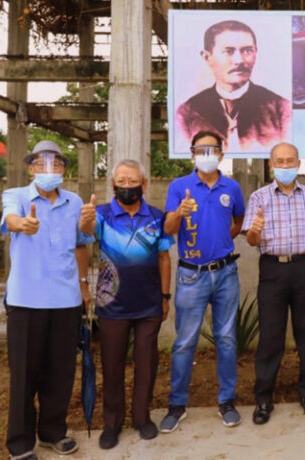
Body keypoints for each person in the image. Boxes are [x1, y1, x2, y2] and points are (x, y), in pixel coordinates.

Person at [1, 140, 92, 459]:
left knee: (61, 371)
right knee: (24, 373)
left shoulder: (75, 200)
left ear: (65, 169)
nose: (49, 169)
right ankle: (21, 444)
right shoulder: (16, 196)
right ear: (31, 168)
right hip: (26, 300)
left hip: (66, 300)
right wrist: (23, 224)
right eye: (41, 163)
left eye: (56, 163)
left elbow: (82, 244)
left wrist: (83, 286)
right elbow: (12, 220)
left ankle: (53, 431)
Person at [78, 159, 174, 449]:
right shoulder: (102, 216)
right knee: (112, 365)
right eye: (122, 181)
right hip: (112, 307)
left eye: (133, 182)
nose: (128, 187)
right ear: (113, 185)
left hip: (149, 306)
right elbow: (83, 240)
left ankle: (142, 418)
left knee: (147, 365)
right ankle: (112, 423)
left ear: (144, 185)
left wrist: (165, 297)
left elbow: (164, 258)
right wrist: (85, 222)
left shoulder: (157, 217)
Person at [159, 130, 246, 432]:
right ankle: (177, 404)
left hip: (225, 274)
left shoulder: (231, 187)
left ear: (222, 154)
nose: (207, 154)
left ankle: (227, 401)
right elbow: (168, 228)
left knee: (226, 338)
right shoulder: (179, 186)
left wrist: (223, 240)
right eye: (201, 149)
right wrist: (179, 214)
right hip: (190, 273)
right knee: (184, 342)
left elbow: (238, 222)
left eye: (213, 149)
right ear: (192, 153)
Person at [242, 142, 305, 424]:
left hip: (304, 267)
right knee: (270, 336)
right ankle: (264, 398)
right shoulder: (258, 197)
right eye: (280, 161)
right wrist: (255, 231)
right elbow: (251, 240)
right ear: (270, 164)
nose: (285, 165)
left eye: (290, 161)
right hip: (273, 270)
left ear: (299, 164)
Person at [175, 20, 291, 153]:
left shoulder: (280, 109)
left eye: (247, 51)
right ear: (207, 57)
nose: (239, 60)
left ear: (256, 53)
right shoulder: (188, 112)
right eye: (228, 51)